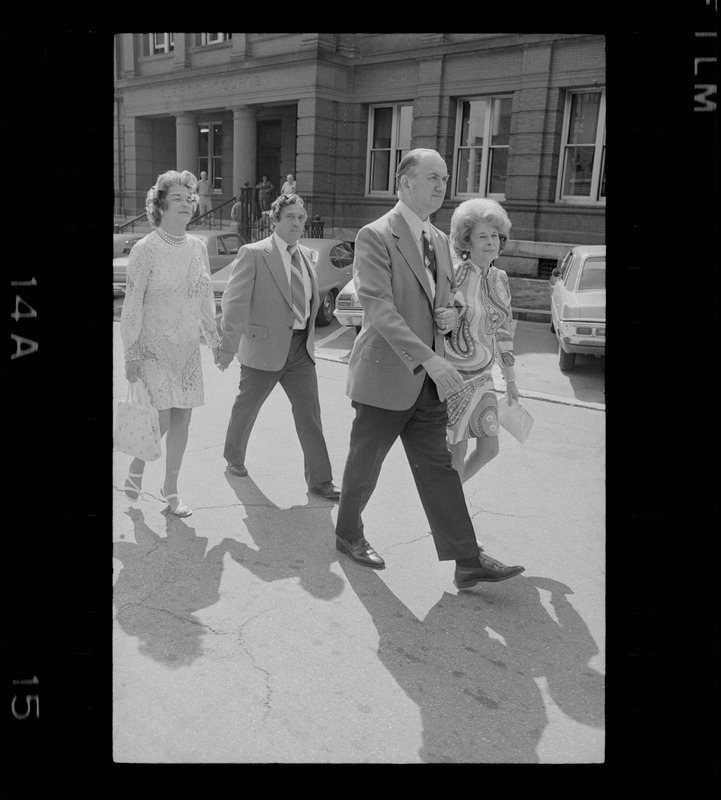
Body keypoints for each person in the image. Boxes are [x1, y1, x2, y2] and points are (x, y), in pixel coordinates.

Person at [334, 148, 525, 588]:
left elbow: (445, 298)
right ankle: (347, 534)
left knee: (439, 470)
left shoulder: (438, 240)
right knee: (365, 464)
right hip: (386, 374)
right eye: (432, 177)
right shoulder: (375, 234)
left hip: (428, 386)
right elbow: (379, 309)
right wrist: (430, 357)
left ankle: (467, 560)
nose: (442, 186)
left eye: (444, 178)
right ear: (404, 182)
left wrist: (452, 312)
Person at [216, 193, 341, 500]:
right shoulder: (254, 253)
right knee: (247, 407)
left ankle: (321, 481)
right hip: (264, 347)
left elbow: (308, 301)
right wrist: (227, 347)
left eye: (301, 217)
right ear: (274, 220)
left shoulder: (307, 255)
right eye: (290, 217)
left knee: (310, 414)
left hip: (300, 350)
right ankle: (234, 458)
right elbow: (235, 303)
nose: (297, 222)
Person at [120, 170, 221, 517]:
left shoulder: (197, 248)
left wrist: (215, 339)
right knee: (160, 418)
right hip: (152, 347)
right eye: (176, 198)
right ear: (160, 206)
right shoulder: (146, 249)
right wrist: (130, 352)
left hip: (187, 349)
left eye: (189, 198)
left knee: (182, 421)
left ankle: (171, 488)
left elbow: (204, 295)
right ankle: (136, 467)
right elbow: (132, 304)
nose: (186, 203)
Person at [443, 198, 519, 482]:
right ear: (467, 241)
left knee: (489, 448)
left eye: (495, 236)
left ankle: (448, 501)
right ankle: (448, 514)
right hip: (456, 377)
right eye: (482, 236)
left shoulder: (500, 278)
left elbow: (503, 332)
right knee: (456, 451)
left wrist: (510, 379)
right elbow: (443, 324)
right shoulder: (456, 275)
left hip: (483, 378)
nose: (491, 242)